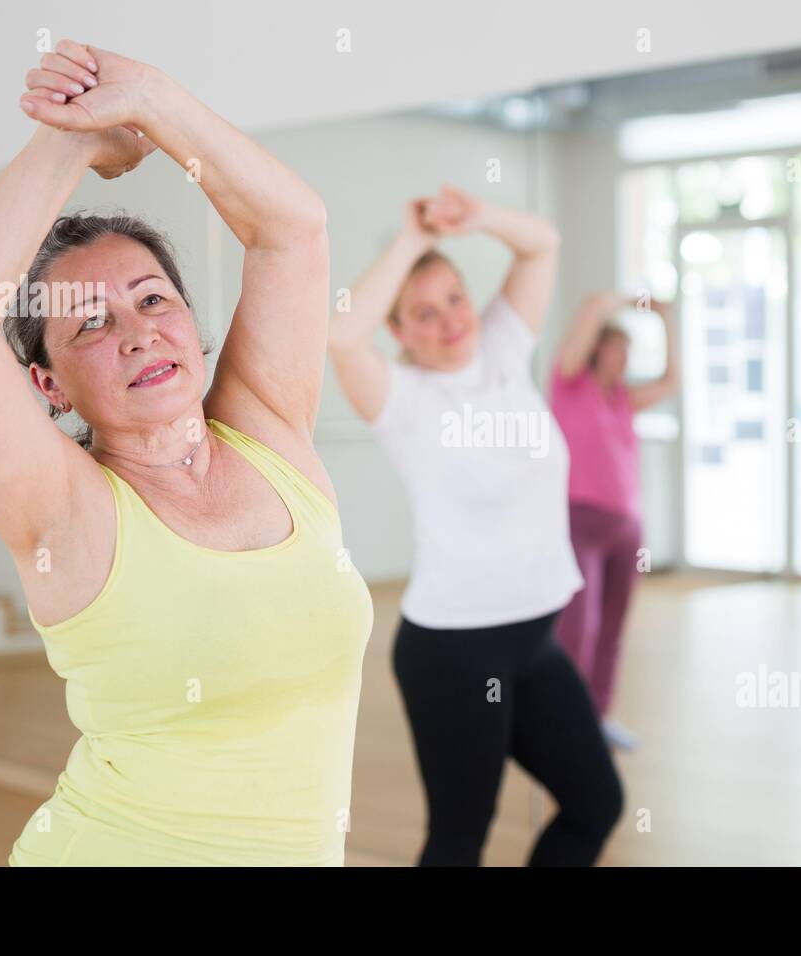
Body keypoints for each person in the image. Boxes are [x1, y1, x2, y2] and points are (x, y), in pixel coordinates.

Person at [0, 40, 373, 865]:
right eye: (90, 322)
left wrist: (152, 100)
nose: (136, 333)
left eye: (151, 298)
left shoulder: (268, 432)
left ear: (187, 321)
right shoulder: (67, 507)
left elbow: (291, 231)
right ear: (48, 387)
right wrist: (76, 141)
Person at [327, 186, 624, 865]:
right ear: (397, 332)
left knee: (596, 802)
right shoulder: (400, 399)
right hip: (454, 653)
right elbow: (342, 334)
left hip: (535, 639)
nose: (448, 320)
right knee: (461, 837)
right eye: (422, 314)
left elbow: (541, 241)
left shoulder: (503, 351)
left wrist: (476, 218)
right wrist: (408, 238)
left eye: (454, 299)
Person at [549, 293, 678, 750]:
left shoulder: (624, 398)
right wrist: (622, 302)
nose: (623, 359)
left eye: (628, 351)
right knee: (577, 630)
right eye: (616, 349)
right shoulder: (569, 386)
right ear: (596, 350)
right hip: (580, 523)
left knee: (612, 630)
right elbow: (589, 312)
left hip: (626, 528)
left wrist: (667, 320)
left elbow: (672, 380)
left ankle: (598, 717)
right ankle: (567, 724)